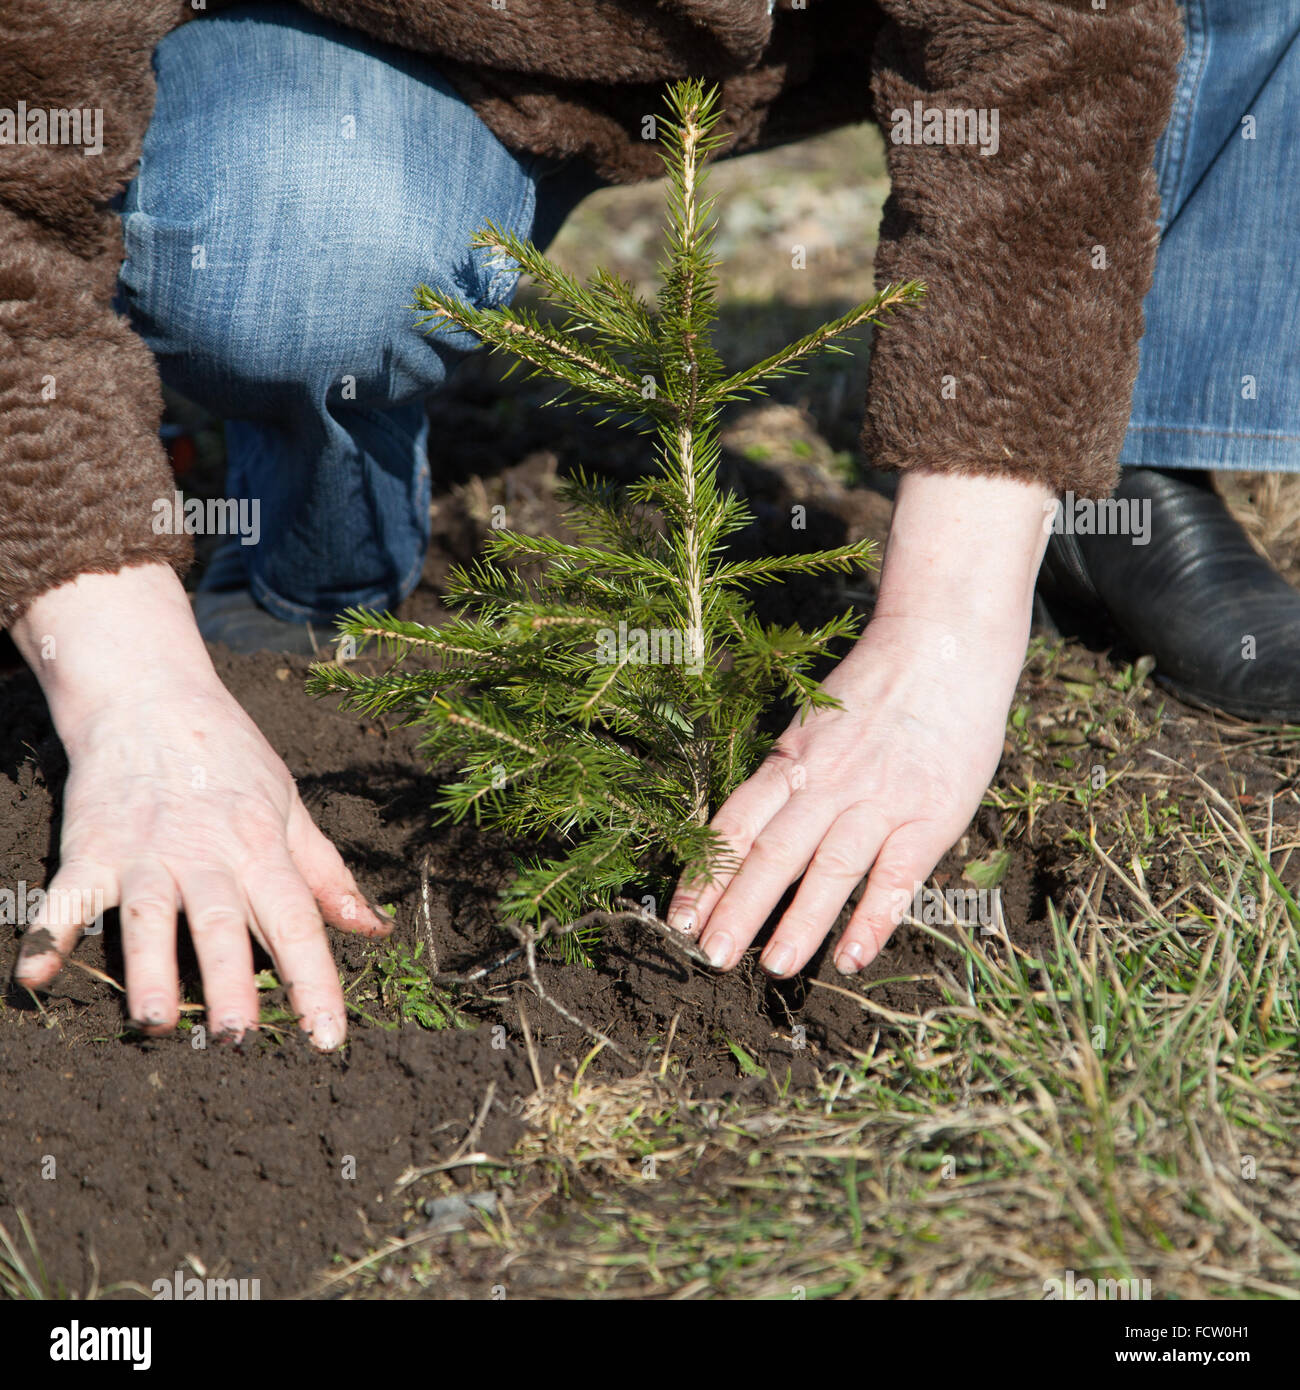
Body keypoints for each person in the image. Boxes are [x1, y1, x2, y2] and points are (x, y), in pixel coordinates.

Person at [2, 1, 1292, 1051]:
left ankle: (1119, 450)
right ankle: (312, 559)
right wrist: (125, 686)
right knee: (279, 246)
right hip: (395, 45)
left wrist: (951, 626)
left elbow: (1058, 49)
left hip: (822, 28)